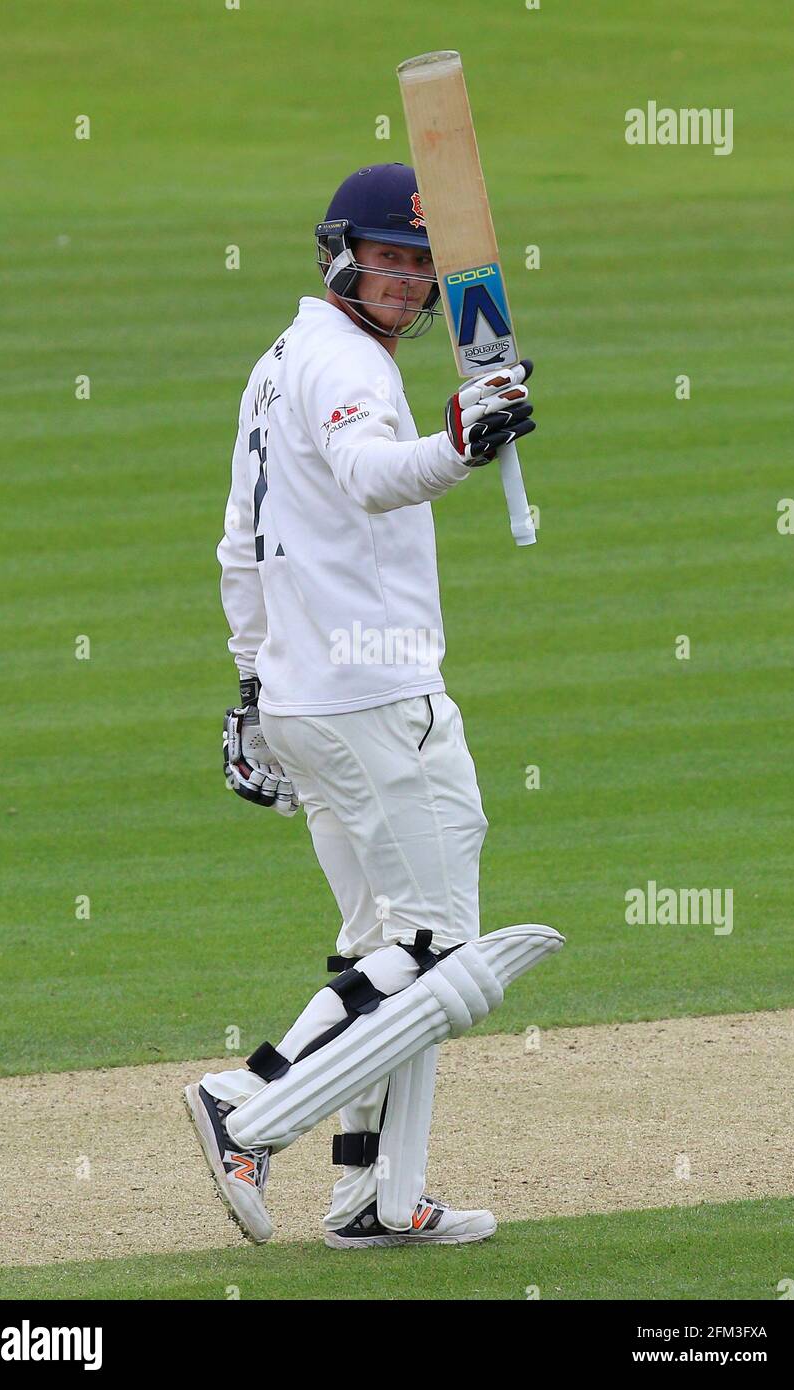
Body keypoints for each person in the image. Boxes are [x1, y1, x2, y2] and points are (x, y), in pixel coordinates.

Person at [183, 163, 561, 1249]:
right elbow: (364, 472)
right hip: (374, 694)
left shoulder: (278, 361)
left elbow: (237, 543)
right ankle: (246, 1106)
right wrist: (457, 444)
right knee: (443, 951)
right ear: (341, 255)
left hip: (312, 694)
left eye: (422, 266)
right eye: (391, 259)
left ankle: (375, 1197)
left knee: (383, 948)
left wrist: (256, 688)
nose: (407, 283)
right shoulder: (346, 365)